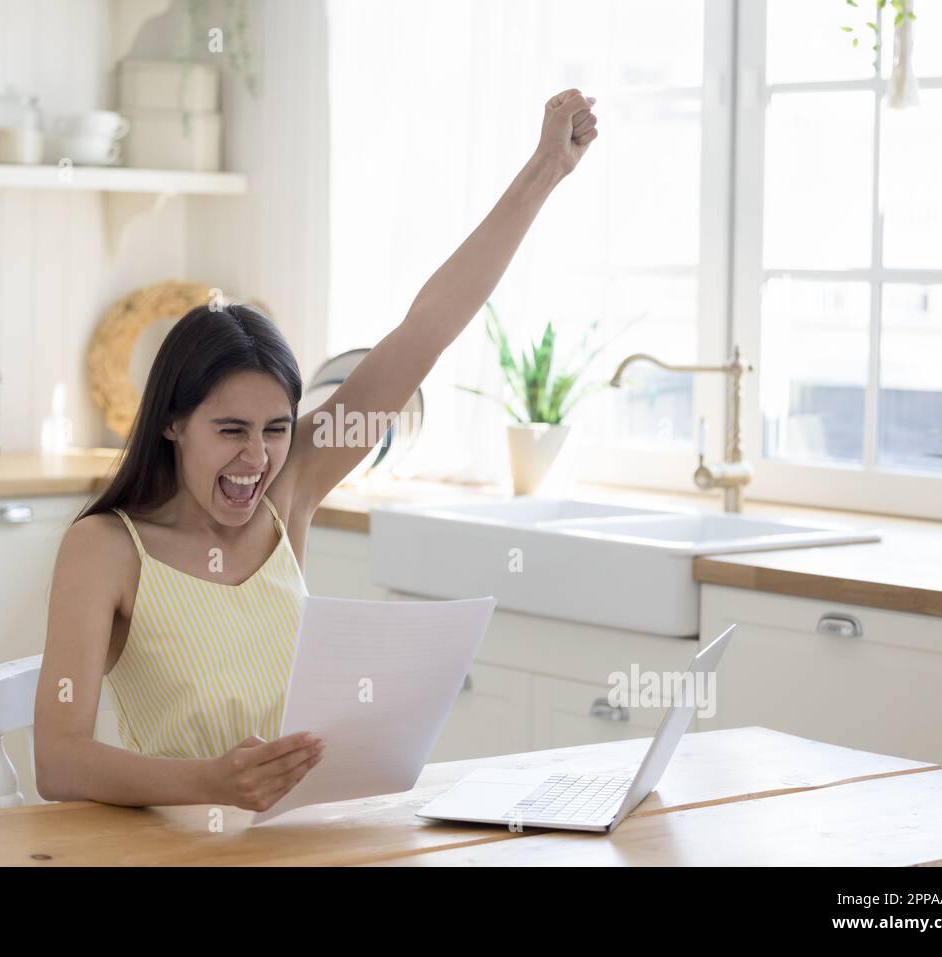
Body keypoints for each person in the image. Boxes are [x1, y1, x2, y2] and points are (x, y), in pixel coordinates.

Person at [34, 89, 600, 813]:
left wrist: (544, 171)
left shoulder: (288, 488)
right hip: (186, 847)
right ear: (172, 423)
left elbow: (425, 330)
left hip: (320, 835)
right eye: (229, 430)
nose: (255, 459)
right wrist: (210, 782)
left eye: (275, 429)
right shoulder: (106, 549)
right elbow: (58, 757)